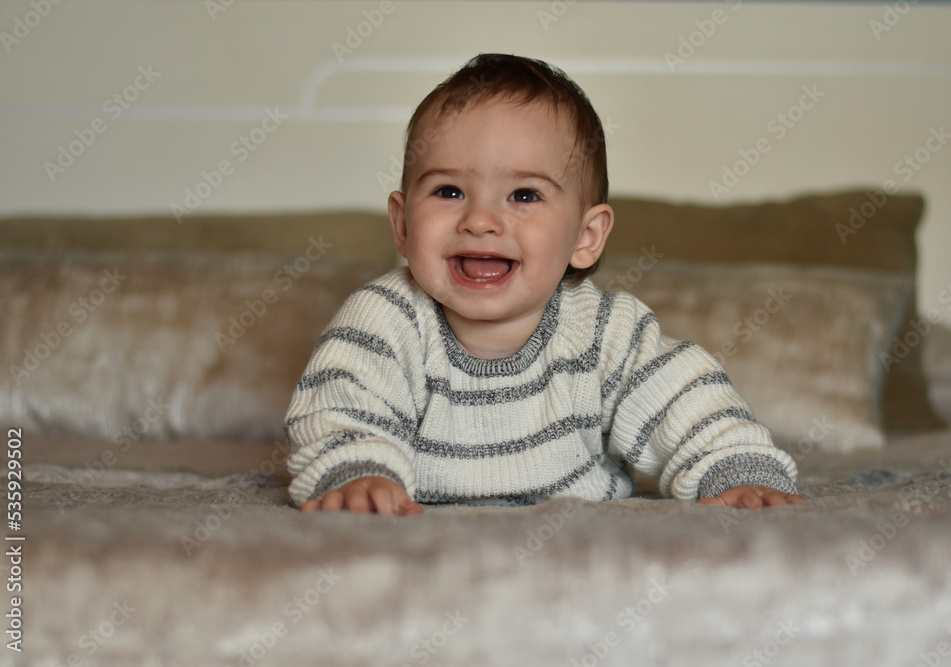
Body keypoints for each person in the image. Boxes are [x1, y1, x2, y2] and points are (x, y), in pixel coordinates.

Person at [286, 53, 804, 516]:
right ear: (402, 225)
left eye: (524, 196)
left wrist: (736, 471)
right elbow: (341, 408)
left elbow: (687, 403)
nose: (480, 220)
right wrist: (357, 476)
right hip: (428, 548)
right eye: (449, 191)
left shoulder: (604, 333)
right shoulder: (385, 319)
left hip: (579, 545)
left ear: (585, 236)